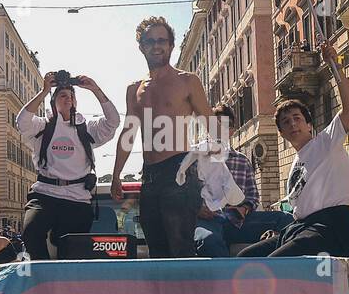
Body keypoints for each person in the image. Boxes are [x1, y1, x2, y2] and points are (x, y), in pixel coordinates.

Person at [240, 38, 349, 259]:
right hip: (302, 228)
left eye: (297, 118)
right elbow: (300, 206)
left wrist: (336, 66)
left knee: (273, 264)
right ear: (282, 133)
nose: (292, 124)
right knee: (245, 257)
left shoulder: (326, 142)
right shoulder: (296, 163)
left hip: (330, 227)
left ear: (309, 124)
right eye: (286, 122)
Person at [111, 16, 213, 258]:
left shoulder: (187, 81)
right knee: (156, 249)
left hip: (179, 170)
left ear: (170, 46)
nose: (156, 46)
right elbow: (128, 133)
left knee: (180, 250)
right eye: (150, 41)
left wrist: (212, 180)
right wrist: (116, 175)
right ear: (141, 47)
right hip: (149, 176)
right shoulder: (133, 89)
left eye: (161, 41)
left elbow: (213, 125)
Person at [17, 71, 119, 260]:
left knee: (69, 248)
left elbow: (113, 121)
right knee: (30, 232)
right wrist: (44, 90)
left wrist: (96, 89)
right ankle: (45, 276)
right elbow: (21, 121)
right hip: (45, 194)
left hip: (77, 197)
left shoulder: (86, 128)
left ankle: (64, 282)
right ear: (53, 102)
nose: (68, 99)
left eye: (72, 96)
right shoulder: (42, 126)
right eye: (63, 95)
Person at [193, 103, 292, 257]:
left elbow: (253, 196)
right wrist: (197, 208)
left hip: (237, 222)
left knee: (285, 219)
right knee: (209, 241)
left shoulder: (242, 161)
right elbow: (182, 193)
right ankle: (226, 278)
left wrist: (244, 208)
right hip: (206, 221)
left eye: (226, 126)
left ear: (232, 130)